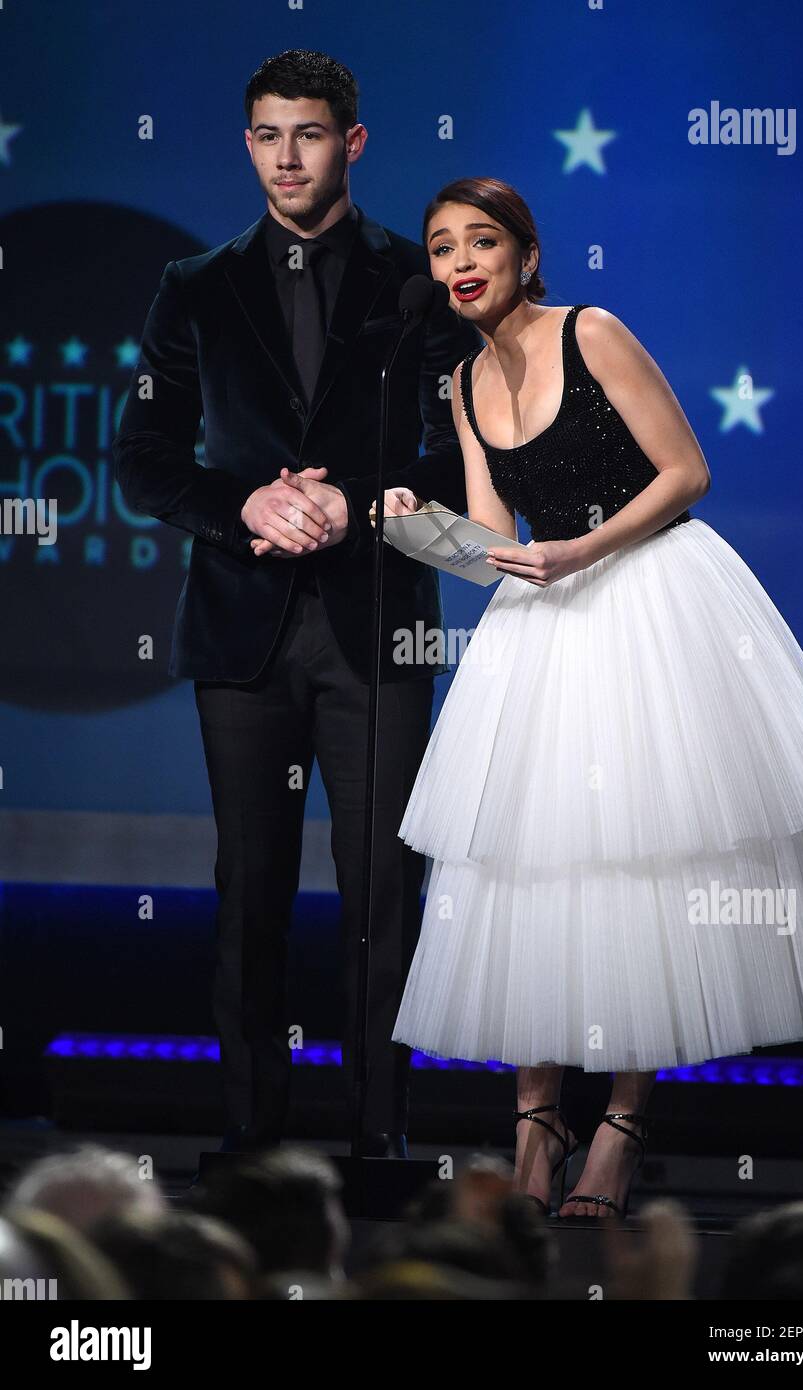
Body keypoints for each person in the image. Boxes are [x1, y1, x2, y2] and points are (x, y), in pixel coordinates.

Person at [386, 176, 803, 1220]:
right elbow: (493, 544)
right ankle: (534, 1125)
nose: (458, 263)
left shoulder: (593, 332)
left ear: (527, 255)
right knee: (526, 864)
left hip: (648, 597)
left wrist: (580, 548)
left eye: (481, 241)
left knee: (641, 864)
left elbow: (684, 471)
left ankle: (618, 1123)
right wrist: (419, 525)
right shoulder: (460, 383)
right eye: (440, 248)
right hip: (539, 628)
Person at [113, 51, 480, 1156]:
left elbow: (460, 459)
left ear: (351, 144)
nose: (286, 156)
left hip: (378, 623)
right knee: (249, 890)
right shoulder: (194, 286)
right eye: (267, 135)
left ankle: (379, 1142)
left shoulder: (414, 280)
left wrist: (348, 501)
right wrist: (249, 508)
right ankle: (251, 1146)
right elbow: (142, 457)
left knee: (380, 896)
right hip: (242, 630)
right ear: (247, 145)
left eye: (308, 134)